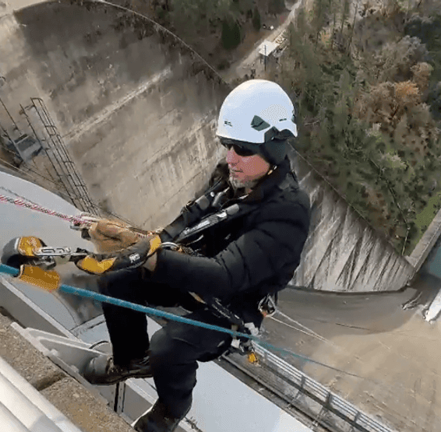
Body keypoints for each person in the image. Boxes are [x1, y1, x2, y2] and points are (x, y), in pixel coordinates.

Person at [80, 79, 311, 432]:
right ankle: (130, 360)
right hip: (199, 267)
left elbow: (225, 276)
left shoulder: (289, 211)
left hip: (237, 301)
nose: (231, 157)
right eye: (228, 145)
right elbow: (190, 220)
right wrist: (145, 245)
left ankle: (172, 410)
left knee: (169, 347)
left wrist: (154, 258)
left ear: (274, 149)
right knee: (115, 278)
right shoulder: (232, 177)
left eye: (243, 150)